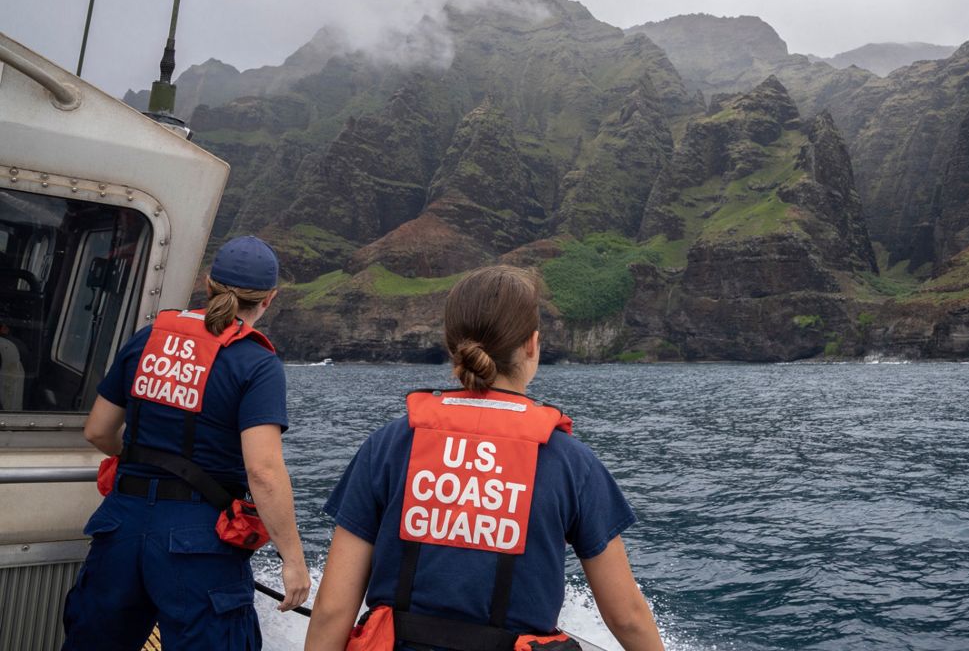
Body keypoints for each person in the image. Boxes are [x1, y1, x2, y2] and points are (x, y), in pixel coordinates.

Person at [305, 265, 663, 651]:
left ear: (450, 344)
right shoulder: (570, 463)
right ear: (532, 344)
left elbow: (331, 609)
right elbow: (626, 616)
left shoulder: (388, 446)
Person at [62, 235, 310, 651]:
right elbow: (263, 471)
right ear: (269, 299)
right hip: (199, 543)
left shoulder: (147, 340)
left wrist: (143, 463)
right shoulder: (256, 363)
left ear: (209, 283)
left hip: (120, 526)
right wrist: (294, 561)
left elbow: (99, 431)